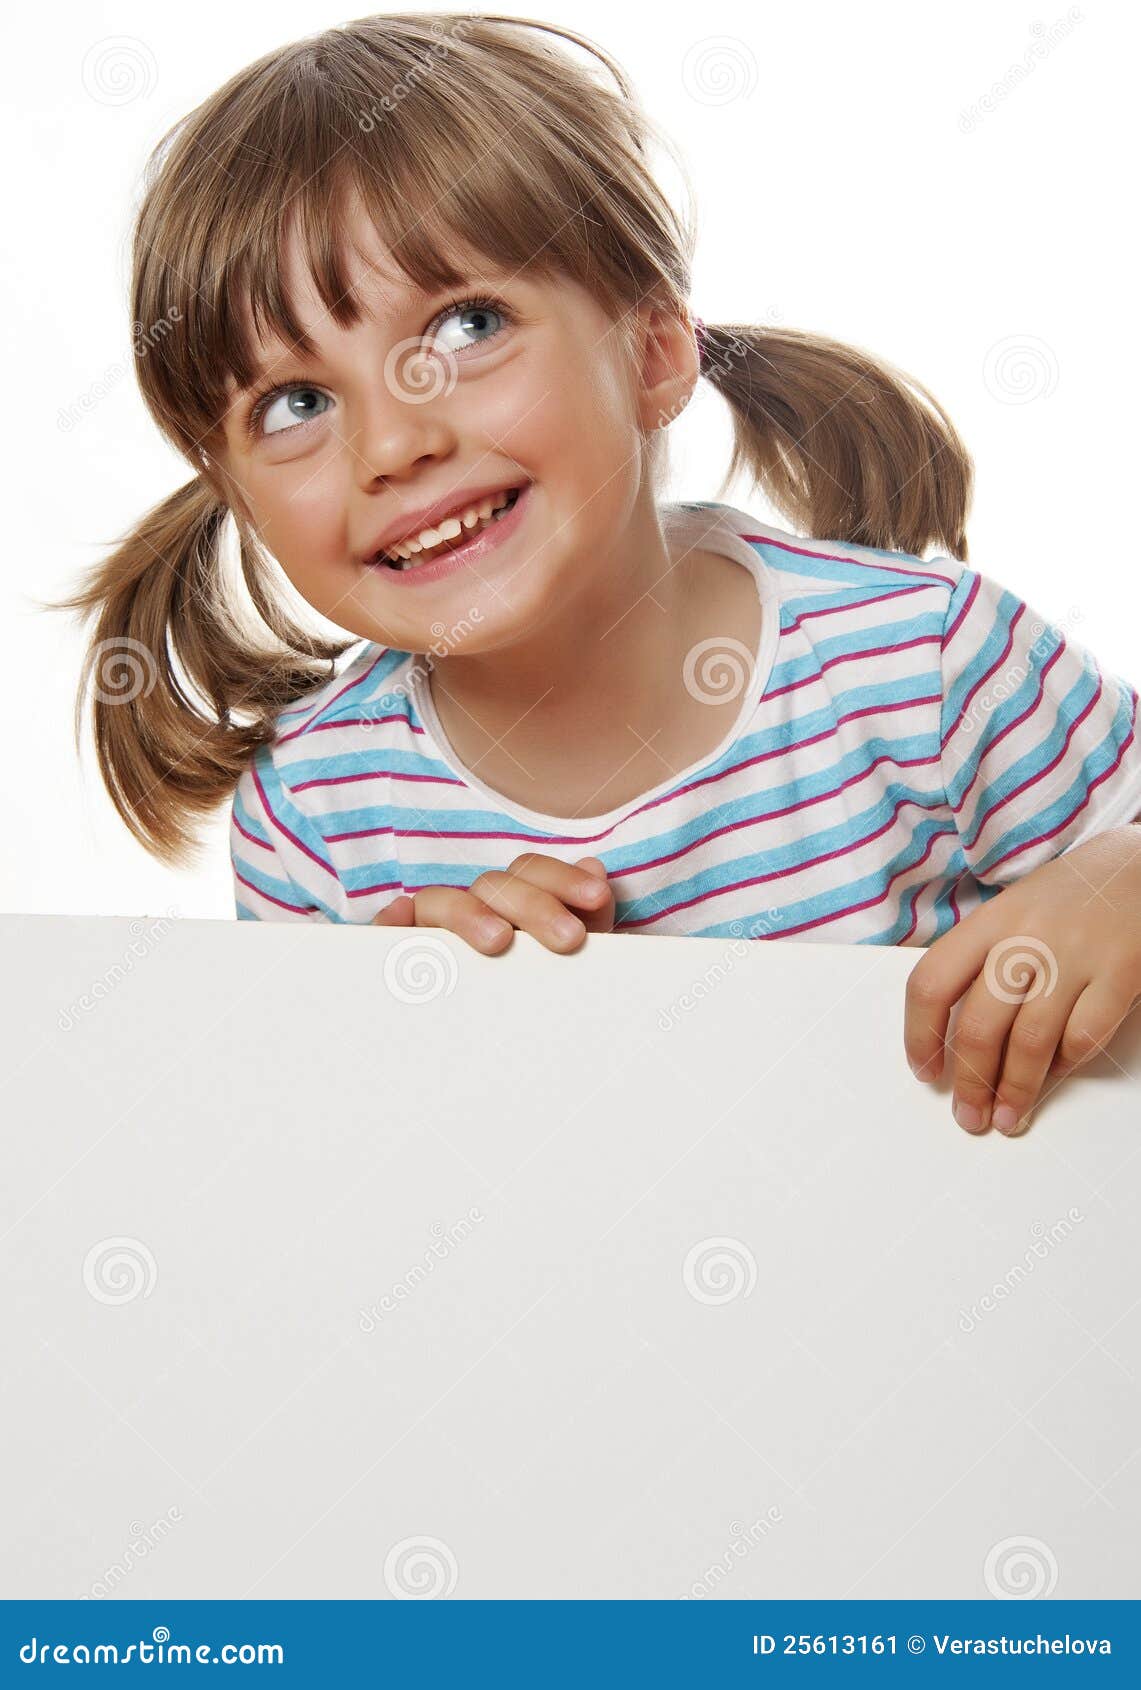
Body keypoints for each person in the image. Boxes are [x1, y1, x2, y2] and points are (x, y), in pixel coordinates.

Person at [47, 14, 1141, 1137]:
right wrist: (379, 1026)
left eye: (467, 326)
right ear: (234, 492)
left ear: (655, 350)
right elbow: (330, 1183)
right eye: (297, 404)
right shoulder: (318, 815)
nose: (392, 446)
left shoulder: (927, 668)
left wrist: (1124, 887)